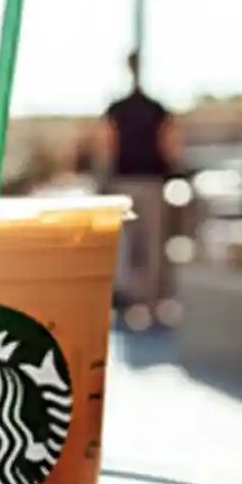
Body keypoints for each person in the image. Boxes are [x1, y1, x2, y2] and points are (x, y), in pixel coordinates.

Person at [94, 52, 182, 327]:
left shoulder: (118, 109)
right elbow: (169, 144)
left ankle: (134, 300)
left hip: (126, 181)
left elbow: (108, 145)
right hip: (150, 180)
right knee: (152, 243)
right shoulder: (156, 109)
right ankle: (148, 302)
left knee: (129, 245)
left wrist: (104, 178)